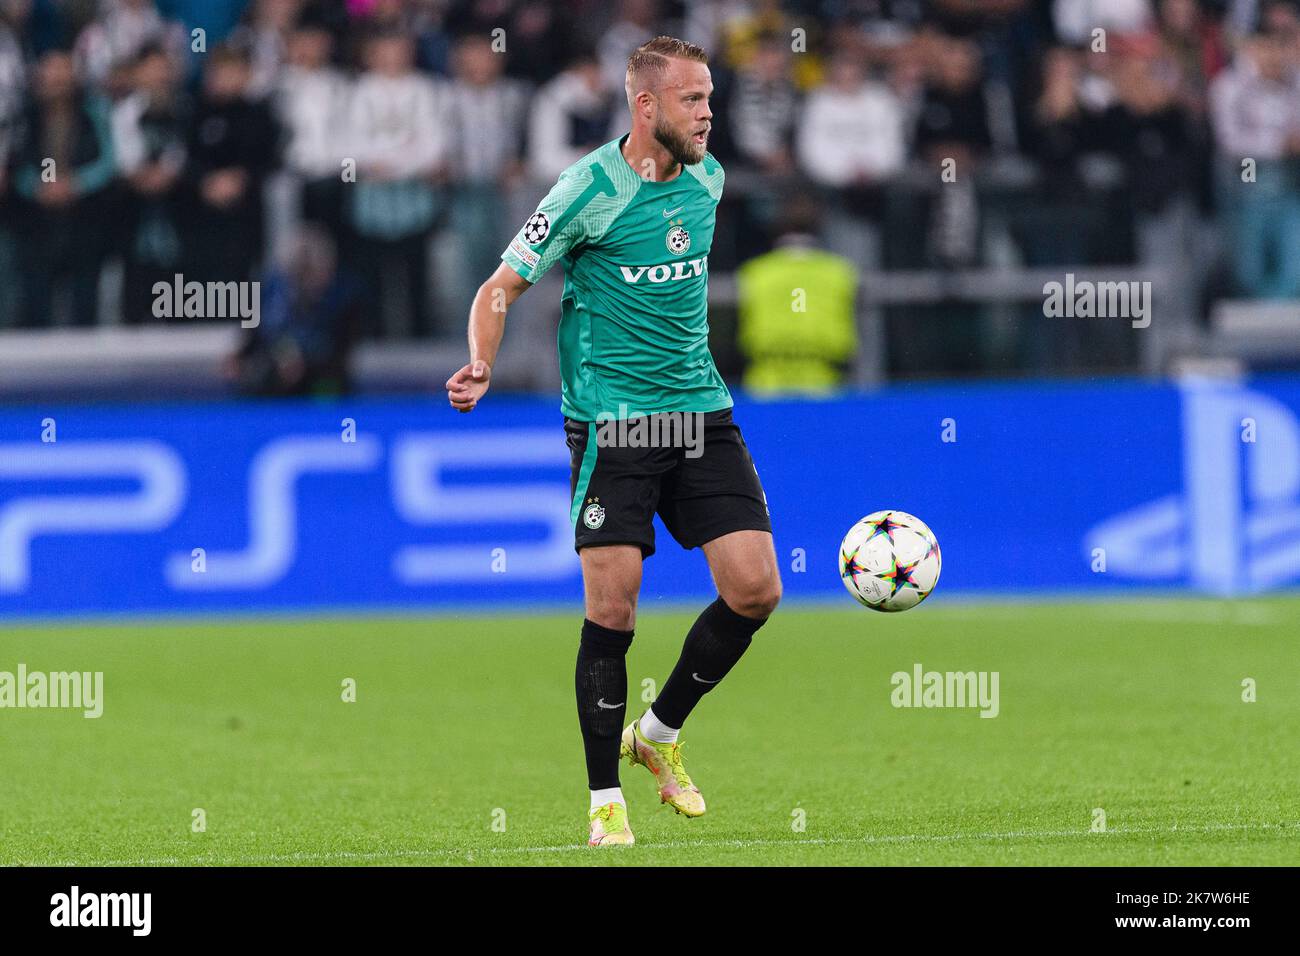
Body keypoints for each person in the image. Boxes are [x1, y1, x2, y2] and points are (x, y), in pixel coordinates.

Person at [445, 35, 782, 848]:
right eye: (693, 100)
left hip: (700, 413)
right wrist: (482, 361)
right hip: (614, 424)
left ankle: (657, 735)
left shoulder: (709, 177)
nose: (709, 113)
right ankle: (605, 802)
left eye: (710, 98)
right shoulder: (585, 189)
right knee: (614, 608)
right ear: (647, 105)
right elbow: (502, 286)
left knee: (756, 590)